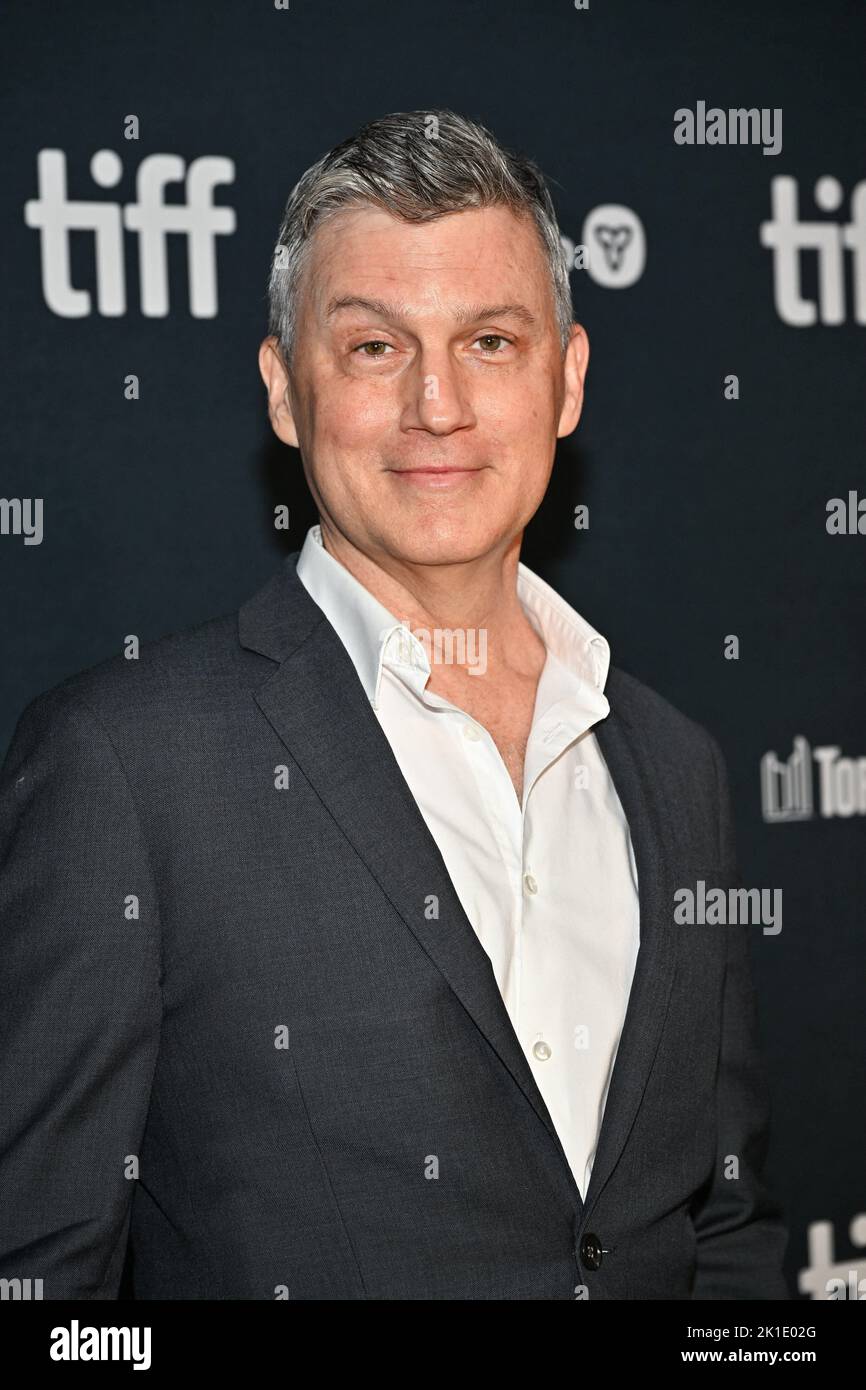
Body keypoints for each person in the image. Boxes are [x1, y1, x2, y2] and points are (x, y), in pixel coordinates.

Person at [0, 109, 788, 1299]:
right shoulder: (123, 767)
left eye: (488, 341)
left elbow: (720, 1226)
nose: (435, 404)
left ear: (565, 381)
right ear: (283, 391)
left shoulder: (674, 764)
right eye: (373, 347)